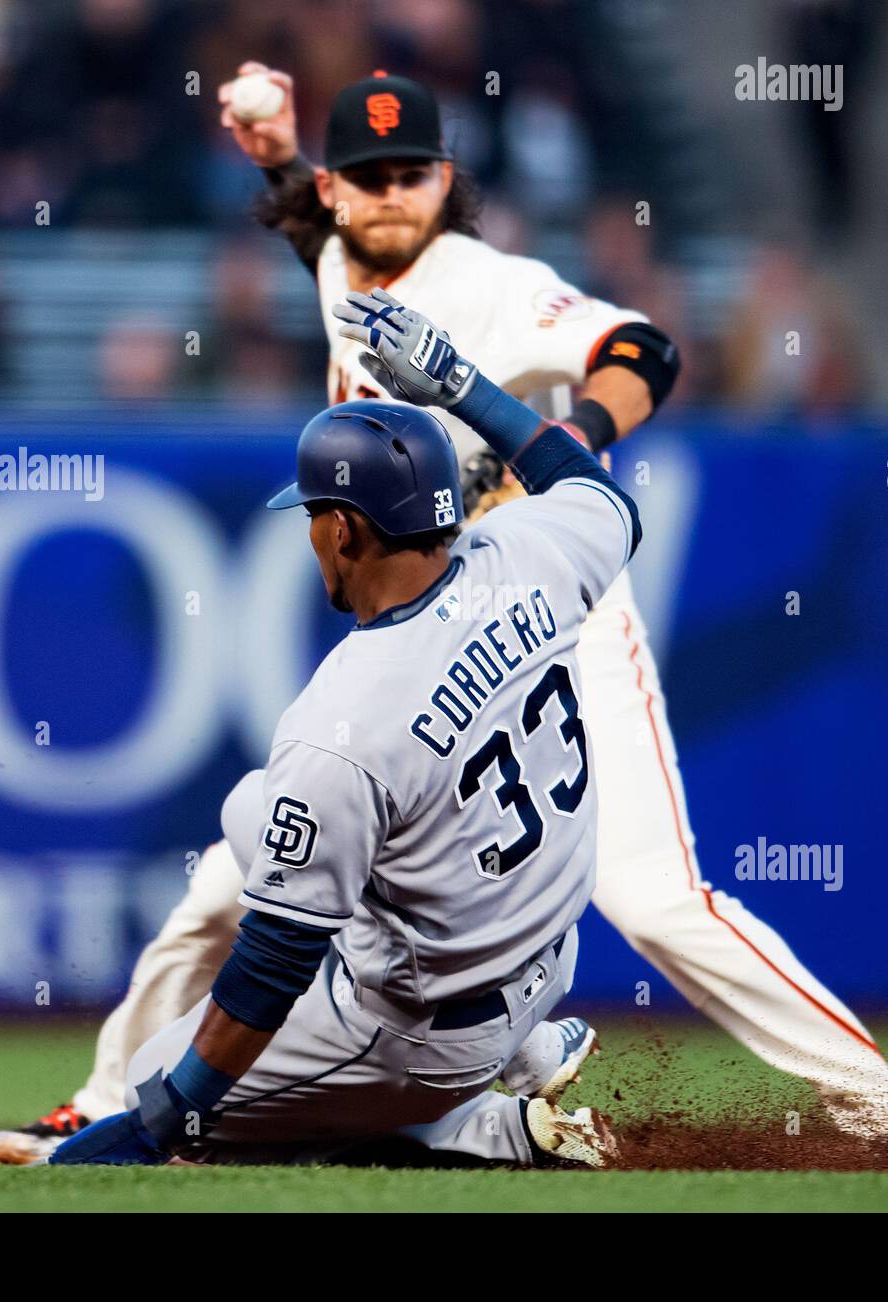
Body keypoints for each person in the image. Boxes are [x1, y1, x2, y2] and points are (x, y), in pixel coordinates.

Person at [0, 67, 888, 1168]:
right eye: (367, 178)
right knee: (225, 891)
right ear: (339, 188)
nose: (390, 194)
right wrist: (271, 151)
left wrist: (583, 434)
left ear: (446, 179)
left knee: (652, 899)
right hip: (432, 621)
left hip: (543, 604)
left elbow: (645, 348)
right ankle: (106, 1097)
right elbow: (320, 224)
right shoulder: (340, 252)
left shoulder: (491, 285)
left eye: (412, 174)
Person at [49, 294, 639, 1167]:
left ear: (340, 528)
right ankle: (528, 1049)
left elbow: (273, 965)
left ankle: (485, 1131)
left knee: (160, 1076)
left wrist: (162, 1124)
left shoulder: (344, 721)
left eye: (314, 515)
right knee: (263, 817)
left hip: (428, 1034)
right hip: (549, 954)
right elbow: (590, 486)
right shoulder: (529, 552)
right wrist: (465, 387)